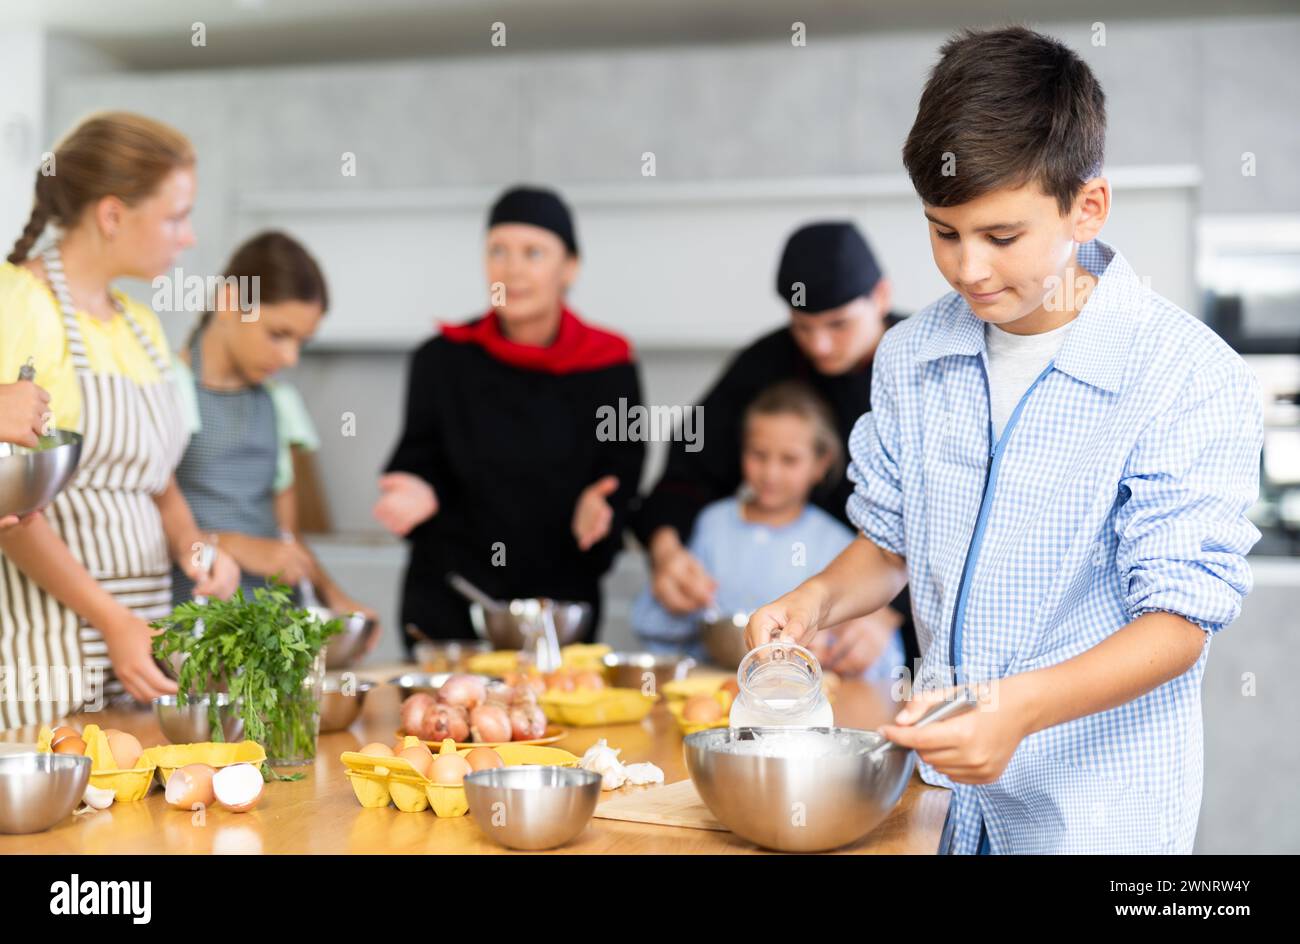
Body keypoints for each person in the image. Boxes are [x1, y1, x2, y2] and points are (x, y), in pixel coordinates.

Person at [746, 26, 1262, 854]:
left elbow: (1178, 621)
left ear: (1086, 206)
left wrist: (1015, 708)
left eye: (1001, 236)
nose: (968, 271)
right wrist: (813, 602)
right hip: (947, 805)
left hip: (1096, 819)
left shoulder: (1185, 375)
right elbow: (891, 544)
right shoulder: (913, 355)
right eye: (944, 232)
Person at [0, 112, 240, 729]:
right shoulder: (19, 303)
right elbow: (11, 509)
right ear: (111, 215)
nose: (187, 237)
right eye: (175, 216)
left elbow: (158, 483)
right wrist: (112, 620)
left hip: (142, 642)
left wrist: (198, 549)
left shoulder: (141, 322)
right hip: (53, 647)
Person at [634, 221, 915, 676]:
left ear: (880, 297)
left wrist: (888, 612)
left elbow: (960, 512)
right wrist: (667, 553)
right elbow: (688, 471)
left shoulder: (925, 364)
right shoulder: (765, 364)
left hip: (900, 626)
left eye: (839, 325)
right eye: (804, 328)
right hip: (789, 617)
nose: (820, 345)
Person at [374, 185, 645, 648]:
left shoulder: (610, 365)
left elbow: (620, 477)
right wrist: (417, 486)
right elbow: (419, 456)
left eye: (533, 253)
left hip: (556, 615)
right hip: (451, 604)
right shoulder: (440, 359)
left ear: (570, 267)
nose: (512, 269)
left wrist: (601, 514)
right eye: (497, 251)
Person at [171, 231, 378, 634]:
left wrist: (336, 599)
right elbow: (140, 523)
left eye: (301, 341)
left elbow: (288, 535)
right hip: (196, 624)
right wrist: (237, 546)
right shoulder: (168, 387)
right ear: (230, 302)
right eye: (278, 334)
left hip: (274, 627)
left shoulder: (279, 403)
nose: (290, 357)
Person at [632, 380, 905, 683]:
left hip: (803, 700)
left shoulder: (844, 546)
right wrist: (680, 603)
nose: (771, 473)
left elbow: (880, 657)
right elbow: (652, 626)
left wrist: (837, 649)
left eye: (789, 459)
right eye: (759, 455)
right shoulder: (711, 526)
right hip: (716, 688)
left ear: (821, 463)